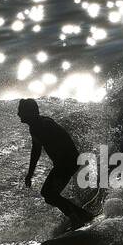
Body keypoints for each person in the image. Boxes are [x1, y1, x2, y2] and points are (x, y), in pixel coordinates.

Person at [18, 98, 93, 228]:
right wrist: (30, 174)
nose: (18, 114)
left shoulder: (45, 124)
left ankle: (78, 218)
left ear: (29, 112)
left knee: (49, 194)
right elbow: (36, 151)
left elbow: (64, 141)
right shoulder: (34, 127)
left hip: (68, 161)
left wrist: (63, 165)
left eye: (21, 111)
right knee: (48, 194)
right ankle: (82, 215)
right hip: (62, 164)